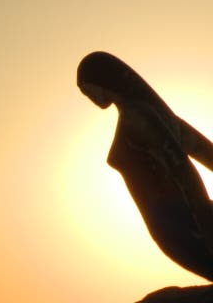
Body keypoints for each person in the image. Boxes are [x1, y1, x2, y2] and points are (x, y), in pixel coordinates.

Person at [77, 51, 213, 281]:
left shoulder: (136, 114)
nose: (88, 96)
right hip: (177, 218)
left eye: (86, 89)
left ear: (101, 81)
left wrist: (203, 217)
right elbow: (207, 154)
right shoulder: (156, 113)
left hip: (176, 221)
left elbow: (180, 166)